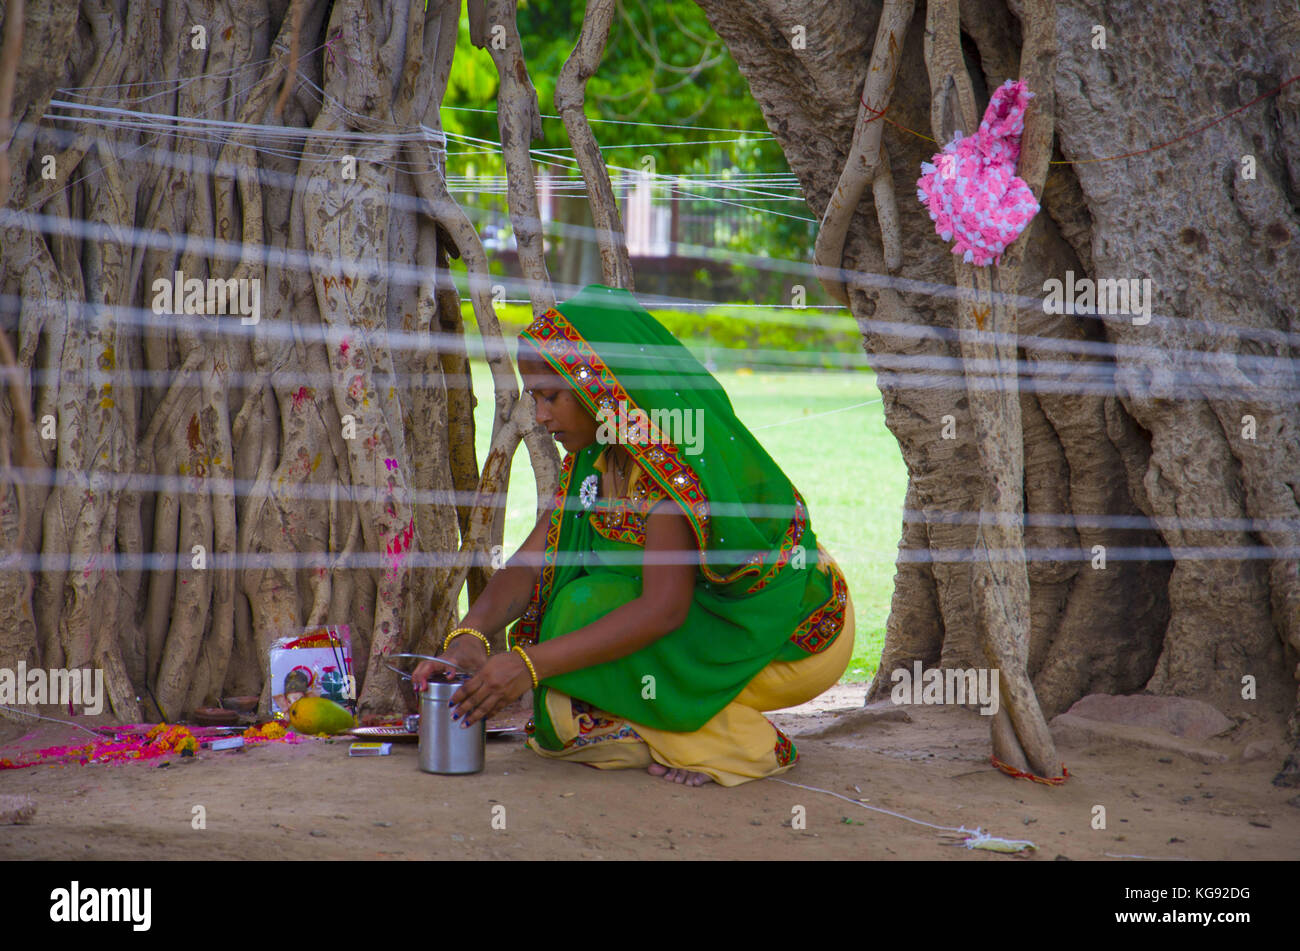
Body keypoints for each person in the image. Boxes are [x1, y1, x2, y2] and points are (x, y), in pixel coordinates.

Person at [413, 284, 855, 786]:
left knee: (583, 609)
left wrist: (526, 663)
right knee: (559, 724)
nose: (539, 416)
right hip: (701, 629)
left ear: (600, 385)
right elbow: (533, 563)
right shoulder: (597, 458)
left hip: (782, 637)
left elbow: (662, 610)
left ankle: (737, 745)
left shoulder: (666, 472)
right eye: (534, 397)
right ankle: (676, 730)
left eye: (551, 396)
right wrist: (469, 636)